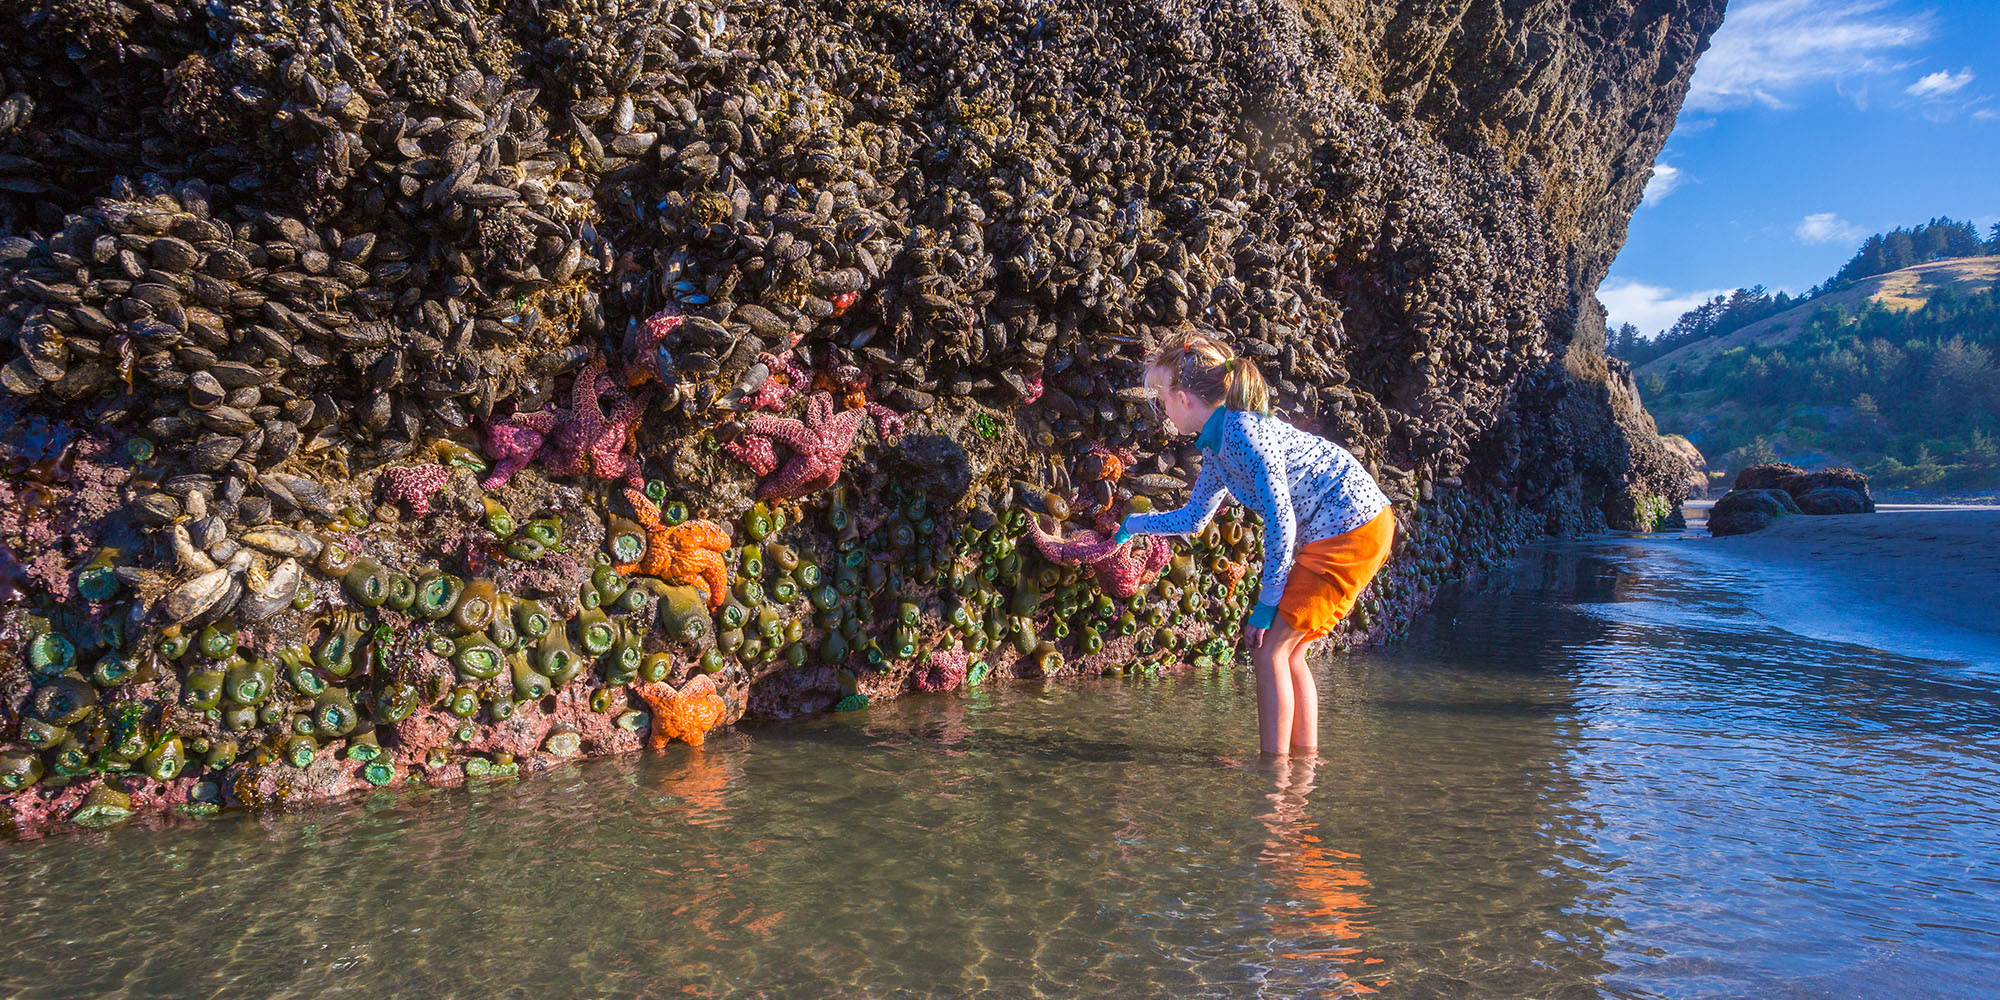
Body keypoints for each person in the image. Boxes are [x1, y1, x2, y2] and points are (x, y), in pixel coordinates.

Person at [1116, 329, 1395, 755]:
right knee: (1291, 652)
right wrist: (1134, 525)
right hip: (1356, 524)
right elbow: (1195, 519)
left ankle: (1273, 775)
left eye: (1161, 399)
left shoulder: (1244, 435)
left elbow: (1281, 518)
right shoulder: (1218, 446)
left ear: (1184, 399)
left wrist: (1266, 604)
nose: (1161, 410)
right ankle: (1302, 766)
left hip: (1349, 527)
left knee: (1269, 651)